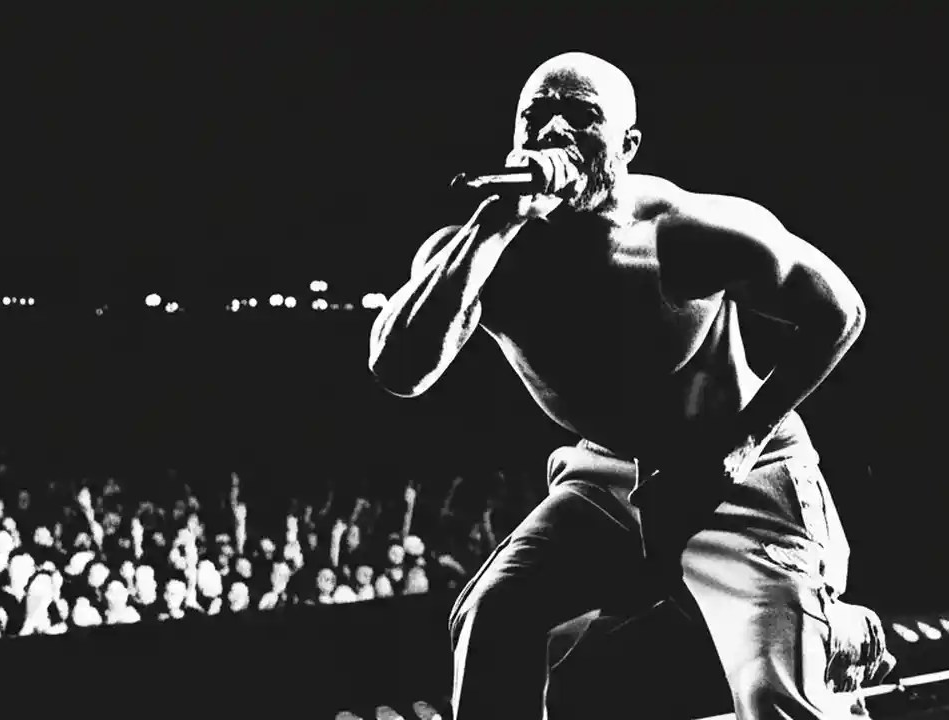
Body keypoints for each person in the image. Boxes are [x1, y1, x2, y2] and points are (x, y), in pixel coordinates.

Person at [369, 51, 873, 719]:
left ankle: (838, 631)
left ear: (627, 145)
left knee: (775, 698)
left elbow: (841, 311)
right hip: (608, 473)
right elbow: (400, 371)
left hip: (741, 471)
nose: (554, 133)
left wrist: (738, 445)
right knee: (494, 615)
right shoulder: (487, 251)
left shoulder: (681, 234)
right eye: (536, 117)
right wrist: (492, 224)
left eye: (581, 119)